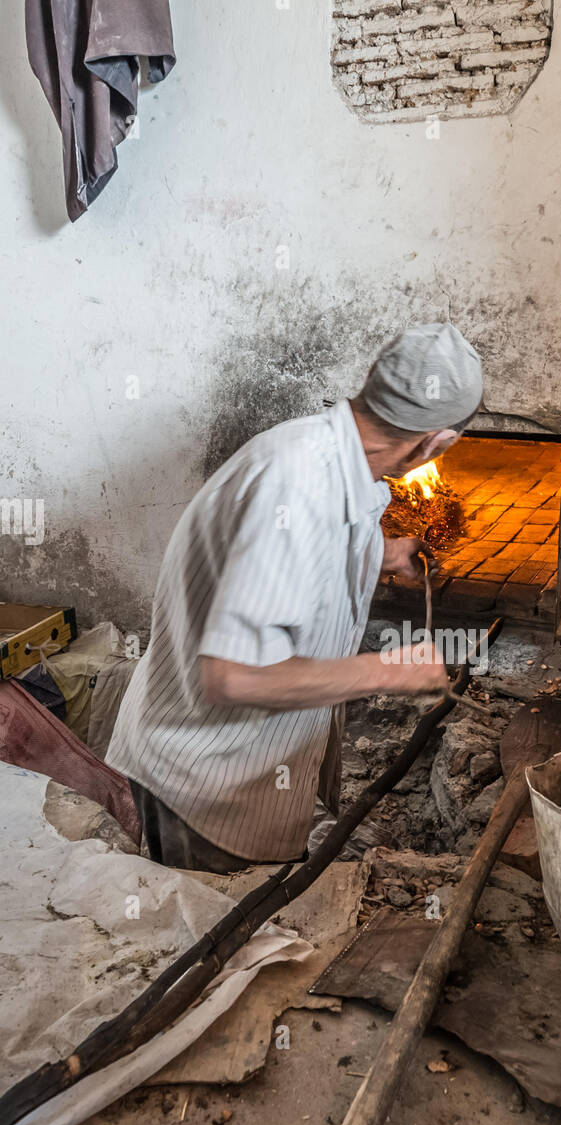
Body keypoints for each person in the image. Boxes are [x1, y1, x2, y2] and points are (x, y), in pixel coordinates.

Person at [107, 323, 483, 871]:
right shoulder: (295, 485)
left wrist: (377, 553)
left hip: (236, 765)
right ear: (436, 443)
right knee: (219, 940)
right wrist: (388, 672)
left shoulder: (324, 449)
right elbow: (233, 676)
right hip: (206, 786)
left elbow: (303, 544)